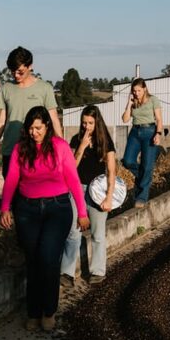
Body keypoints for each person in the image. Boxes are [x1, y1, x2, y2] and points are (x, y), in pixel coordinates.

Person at [0, 106, 89, 332]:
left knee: (48, 259)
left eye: (38, 128)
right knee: (33, 262)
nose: (34, 132)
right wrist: (5, 208)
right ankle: (33, 311)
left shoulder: (60, 147)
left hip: (57, 209)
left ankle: (49, 311)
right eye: (30, 128)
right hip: (27, 211)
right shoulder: (21, 149)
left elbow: (72, 179)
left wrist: (82, 212)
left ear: (47, 126)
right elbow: (11, 179)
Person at [60, 106, 117, 287]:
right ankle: (67, 272)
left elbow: (111, 171)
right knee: (72, 232)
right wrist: (82, 146)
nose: (87, 127)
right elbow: (70, 167)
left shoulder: (106, 141)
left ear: (97, 122)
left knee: (97, 234)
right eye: (84, 123)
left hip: (98, 191)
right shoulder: (76, 140)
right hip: (77, 190)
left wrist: (109, 197)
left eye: (91, 123)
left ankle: (98, 271)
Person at [0, 46, 62, 178]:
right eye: (12, 72)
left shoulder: (45, 89)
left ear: (30, 66)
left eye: (20, 72)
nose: (16, 75)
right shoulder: (6, 88)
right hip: (10, 151)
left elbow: (54, 120)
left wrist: (62, 149)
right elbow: (1, 122)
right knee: (12, 195)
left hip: (37, 152)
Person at [121, 77, 163, 208]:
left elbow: (159, 119)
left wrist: (158, 133)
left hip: (149, 131)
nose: (136, 93)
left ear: (144, 89)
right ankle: (143, 176)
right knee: (127, 161)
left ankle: (141, 198)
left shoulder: (153, 100)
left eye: (138, 90)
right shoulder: (133, 102)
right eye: (134, 91)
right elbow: (125, 119)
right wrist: (129, 104)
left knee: (147, 165)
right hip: (135, 132)